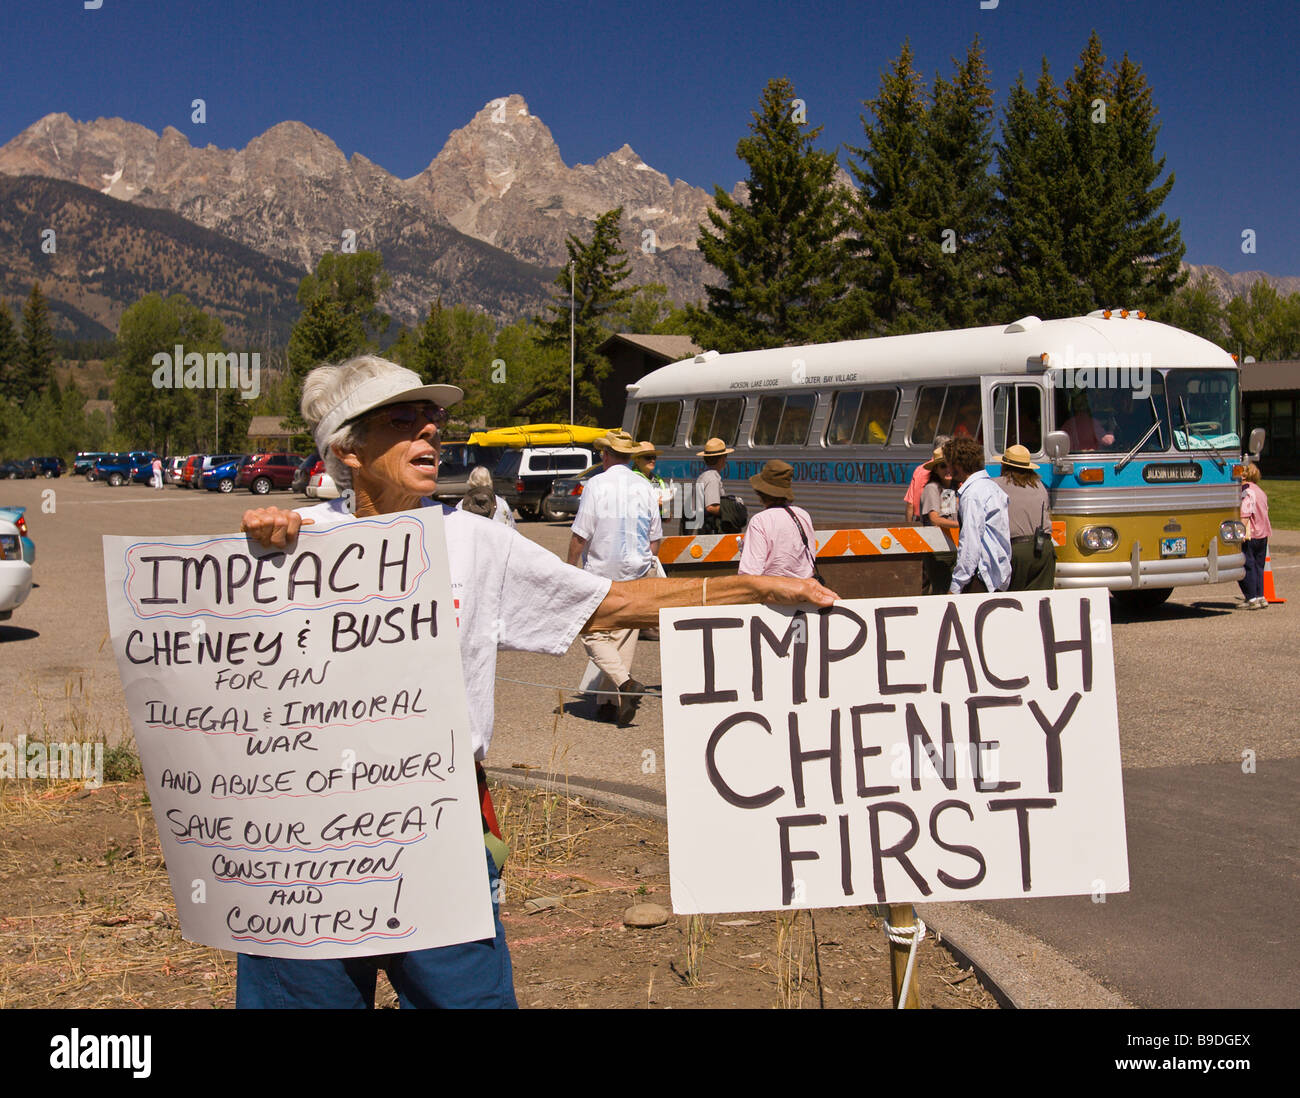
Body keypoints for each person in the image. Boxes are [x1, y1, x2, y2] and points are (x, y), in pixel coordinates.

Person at [239, 355, 838, 1009]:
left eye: (432, 417)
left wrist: (751, 587)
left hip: (437, 831)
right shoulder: (293, 548)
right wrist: (259, 554)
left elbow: (615, 604)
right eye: (403, 419)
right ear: (346, 449)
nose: (431, 431)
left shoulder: (473, 542)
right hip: (307, 844)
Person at [567, 430, 663, 725]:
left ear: (606, 455)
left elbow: (582, 533)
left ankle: (624, 684)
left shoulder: (596, 484)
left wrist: (570, 567)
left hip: (602, 572)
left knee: (592, 633)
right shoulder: (645, 485)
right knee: (622, 636)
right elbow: (655, 536)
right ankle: (609, 702)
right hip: (636, 570)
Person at [943, 436, 1011, 594]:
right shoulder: (992, 487)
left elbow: (970, 541)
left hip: (981, 576)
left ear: (957, 464)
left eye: (948, 463)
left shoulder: (972, 494)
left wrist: (956, 584)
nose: (947, 468)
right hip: (998, 575)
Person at [737, 460, 818, 579]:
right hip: (805, 590)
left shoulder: (760, 521)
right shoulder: (803, 515)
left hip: (775, 592)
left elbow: (750, 573)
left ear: (761, 492)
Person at [997, 444, 1055, 591]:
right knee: (1041, 599)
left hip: (1018, 549)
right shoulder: (1039, 485)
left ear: (1004, 466)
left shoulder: (996, 485)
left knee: (1016, 600)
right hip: (1044, 547)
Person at [1238, 463, 1272, 609]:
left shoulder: (1247, 492)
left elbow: (1246, 512)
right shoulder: (1260, 491)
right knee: (1259, 565)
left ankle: (1251, 597)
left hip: (1250, 534)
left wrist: (1239, 530)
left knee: (1247, 564)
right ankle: (1260, 595)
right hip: (1263, 533)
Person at [904, 435, 949, 522]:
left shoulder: (919, 470)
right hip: (941, 523)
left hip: (919, 522)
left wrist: (909, 526)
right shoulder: (948, 475)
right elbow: (945, 513)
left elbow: (910, 504)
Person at [692, 437, 732, 533]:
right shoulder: (712, 478)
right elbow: (711, 507)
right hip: (708, 530)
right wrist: (732, 510)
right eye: (725, 456)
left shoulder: (704, 475)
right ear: (722, 459)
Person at [632, 441, 674, 521]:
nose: (652, 460)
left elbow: (666, 517)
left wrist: (666, 512)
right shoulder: (632, 478)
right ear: (637, 460)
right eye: (648, 457)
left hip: (654, 529)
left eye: (654, 457)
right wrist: (655, 503)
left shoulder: (658, 480)